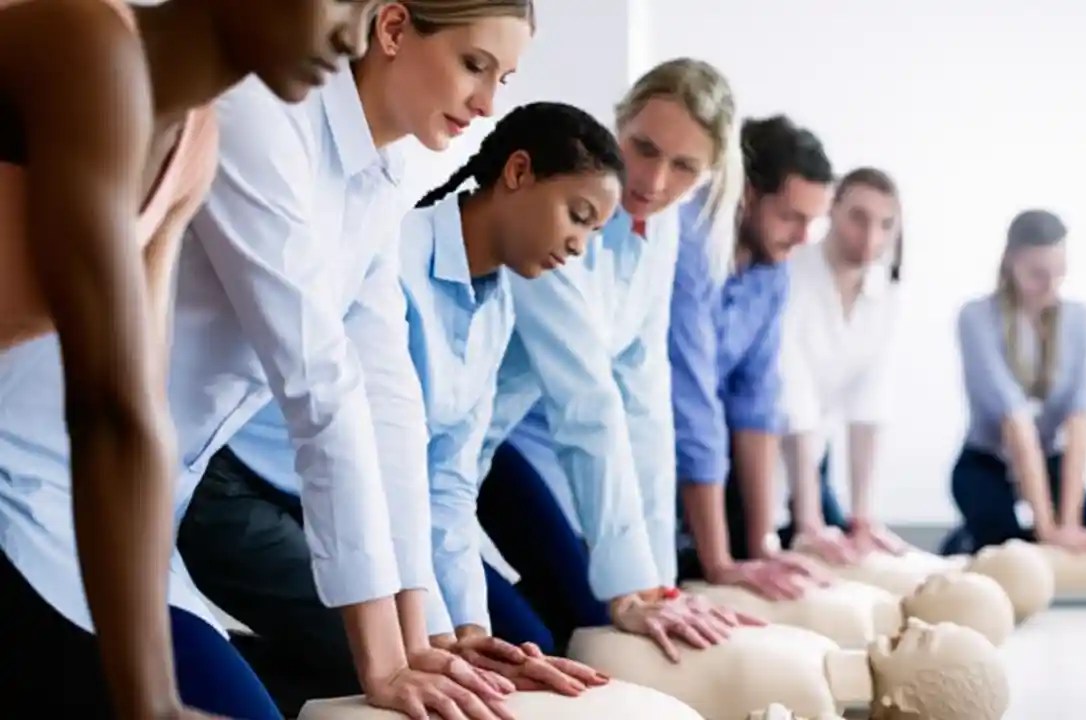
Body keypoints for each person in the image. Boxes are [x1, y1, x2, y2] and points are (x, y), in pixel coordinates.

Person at [181, 100, 624, 715]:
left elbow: (446, 481)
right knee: (365, 656)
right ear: (517, 173)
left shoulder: (496, 308)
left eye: (594, 233)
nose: (578, 245)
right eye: (577, 217)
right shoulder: (400, 248)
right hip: (244, 487)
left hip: (340, 507)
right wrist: (424, 640)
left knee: (502, 653)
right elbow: (372, 454)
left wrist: (464, 628)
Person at [0, 0, 379, 717]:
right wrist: (152, 704)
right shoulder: (85, 45)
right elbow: (107, 408)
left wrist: (159, 698)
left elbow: (140, 407)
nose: (353, 37)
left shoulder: (194, 142)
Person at [168, 3, 534, 719]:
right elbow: (320, 388)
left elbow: (389, 405)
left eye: (505, 79)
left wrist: (422, 633)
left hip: (146, 504)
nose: (489, 104)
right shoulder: (264, 117)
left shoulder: (386, 173)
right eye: (474, 65)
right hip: (44, 482)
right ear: (393, 29)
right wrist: (382, 665)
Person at [476, 57, 761, 661]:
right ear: (619, 123)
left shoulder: (661, 229)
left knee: (589, 621)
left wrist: (659, 581)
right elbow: (589, 400)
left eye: (684, 166)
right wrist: (629, 589)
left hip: (493, 442)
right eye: (644, 148)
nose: (655, 182)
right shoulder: (561, 205)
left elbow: (645, 401)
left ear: (709, 173)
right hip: (495, 441)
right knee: (562, 633)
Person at [670, 115, 836, 600]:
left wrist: (761, 543)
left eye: (813, 221)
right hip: (648, 438)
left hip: (706, 442)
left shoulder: (773, 271)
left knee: (770, 565)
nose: (804, 238)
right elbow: (690, 402)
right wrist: (720, 562)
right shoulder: (688, 242)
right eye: (791, 217)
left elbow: (757, 402)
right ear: (744, 194)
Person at [946, 210, 1086, 554]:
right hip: (986, 460)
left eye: (1057, 272)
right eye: (1036, 274)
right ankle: (963, 542)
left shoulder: (1083, 321)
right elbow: (1014, 419)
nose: (1049, 285)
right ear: (1010, 263)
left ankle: (1050, 524)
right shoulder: (975, 318)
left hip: (1051, 460)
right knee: (1007, 543)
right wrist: (1049, 531)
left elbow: (1081, 419)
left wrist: (1070, 524)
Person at [775, 168, 911, 566]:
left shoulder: (885, 294)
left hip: (815, 454)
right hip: (764, 453)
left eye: (885, 224)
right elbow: (792, 401)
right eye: (858, 217)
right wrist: (809, 522)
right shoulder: (791, 273)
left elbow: (869, 408)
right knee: (805, 547)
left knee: (851, 551)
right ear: (831, 209)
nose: (871, 237)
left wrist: (863, 518)